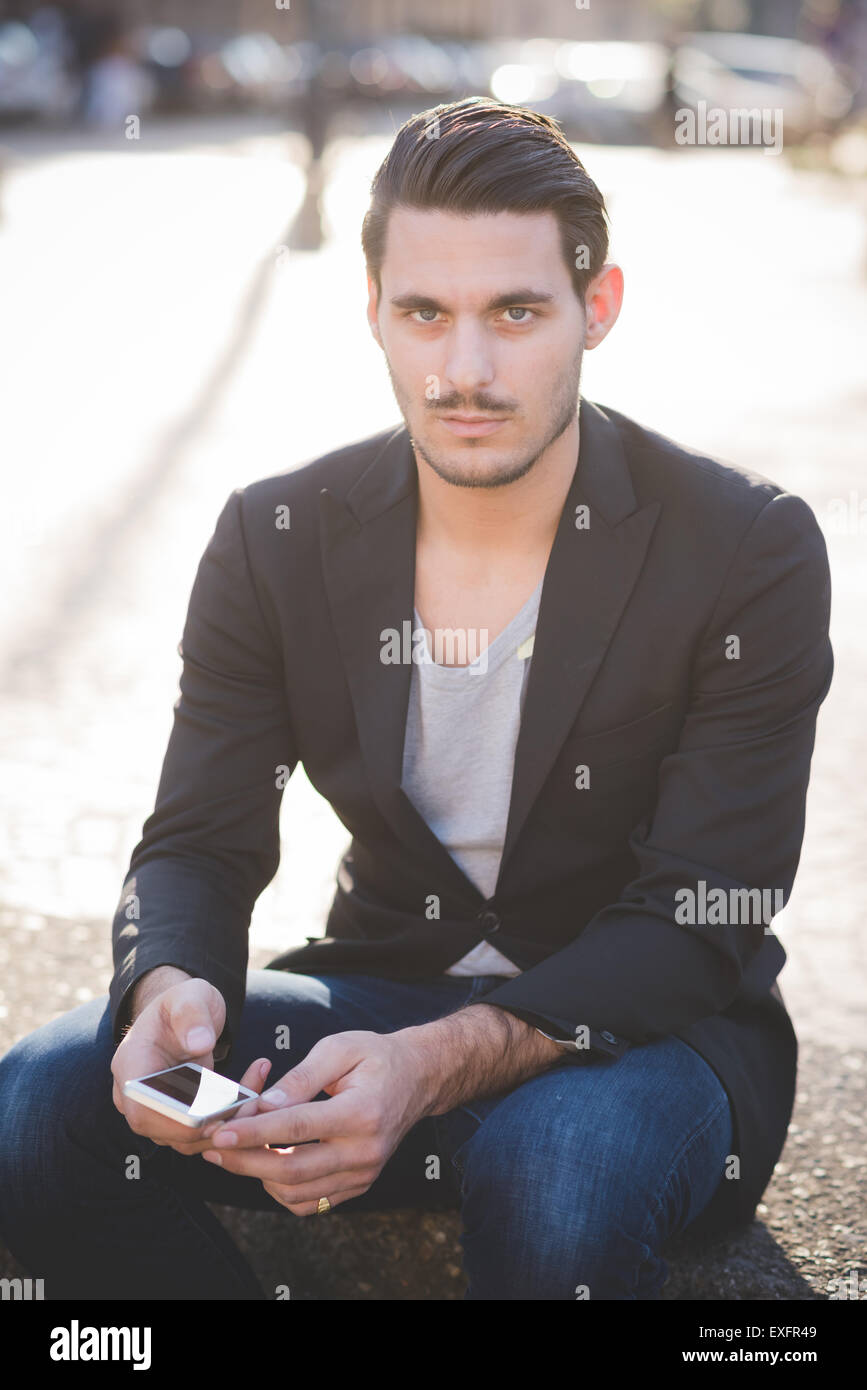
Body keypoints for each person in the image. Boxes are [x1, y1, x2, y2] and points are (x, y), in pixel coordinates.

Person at [0, 97, 833, 1301]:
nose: (466, 369)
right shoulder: (274, 537)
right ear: (375, 315)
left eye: (518, 312)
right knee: (36, 1103)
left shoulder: (745, 546)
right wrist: (169, 985)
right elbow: (195, 838)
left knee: (555, 1170)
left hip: (652, 1040)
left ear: (597, 309)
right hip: (384, 983)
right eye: (424, 313)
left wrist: (435, 1064)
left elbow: (702, 914)